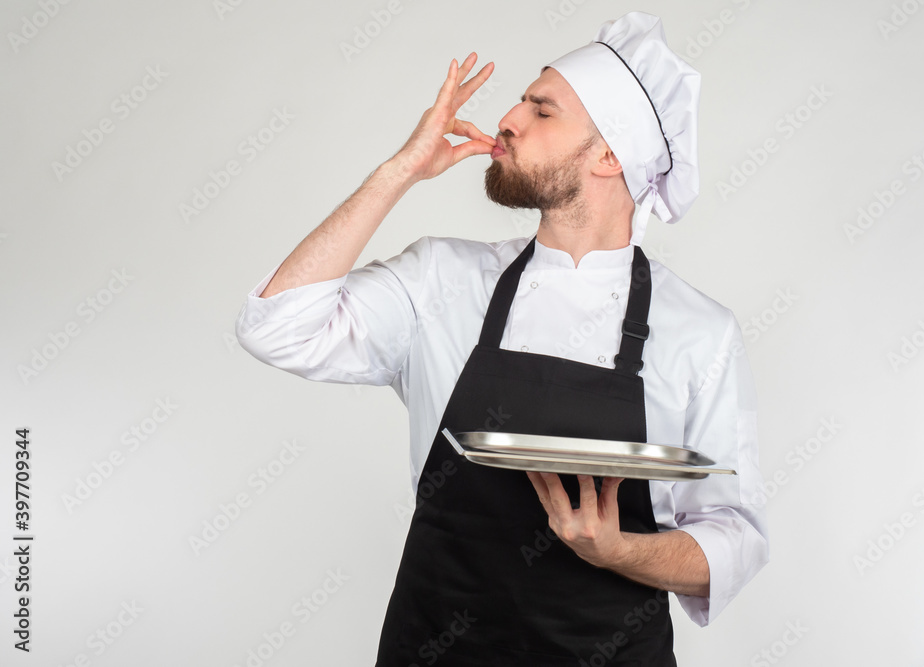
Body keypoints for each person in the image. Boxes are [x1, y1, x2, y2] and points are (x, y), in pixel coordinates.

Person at [235, 11, 767, 666]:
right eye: (520, 102)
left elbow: (734, 540)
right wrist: (399, 169)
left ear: (610, 154)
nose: (508, 119)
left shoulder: (699, 332)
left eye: (541, 110)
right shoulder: (442, 279)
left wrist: (616, 550)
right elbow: (274, 326)